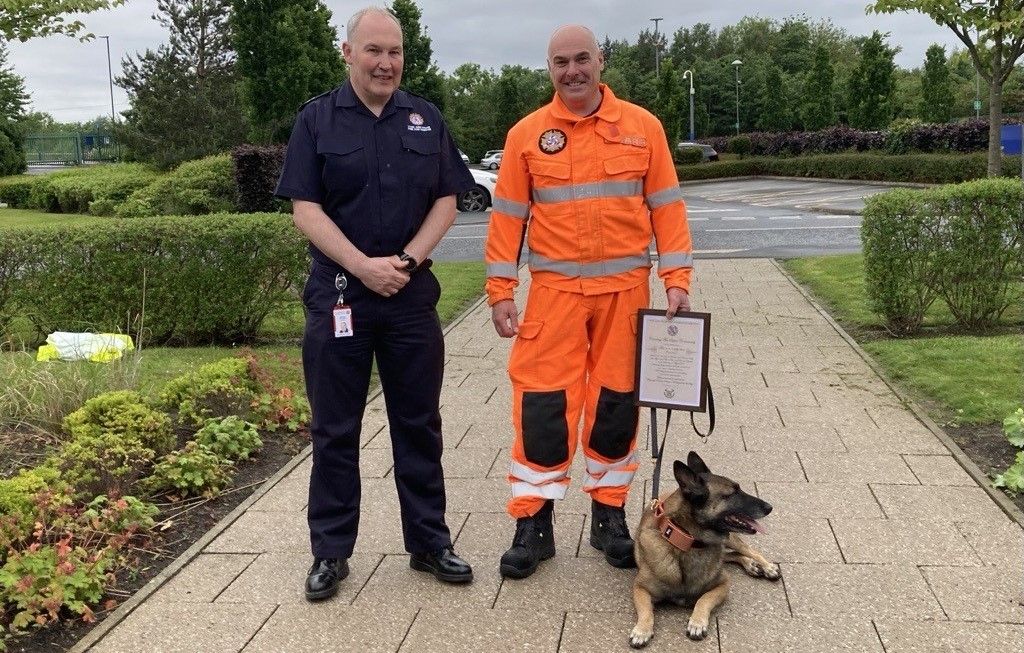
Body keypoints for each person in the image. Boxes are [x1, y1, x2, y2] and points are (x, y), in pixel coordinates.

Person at [275, 6, 475, 600]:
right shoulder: (316, 121)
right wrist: (362, 266)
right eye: (374, 51)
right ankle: (330, 553)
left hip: (410, 299)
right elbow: (304, 209)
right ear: (348, 52)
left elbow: (448, 197)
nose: (386, 62)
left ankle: (430, 542)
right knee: (336, 429)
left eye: (395, 52)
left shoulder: (424, 118)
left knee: (419, 424)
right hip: (339, 294)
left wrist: (406, 262)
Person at [484, 24, 694, 579]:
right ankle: (534, 524)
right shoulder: (526, 135)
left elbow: (668, 209)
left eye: (582, 59)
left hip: (625, 295)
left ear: (601, 61)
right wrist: (500, 291)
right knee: (542, 406)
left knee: (615, 406)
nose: (572, 70)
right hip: (552, 296)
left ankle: (609, 517)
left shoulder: (643, 128)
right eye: (560, 62)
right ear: (549, 69)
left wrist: (677, 279)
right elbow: (507, 218)